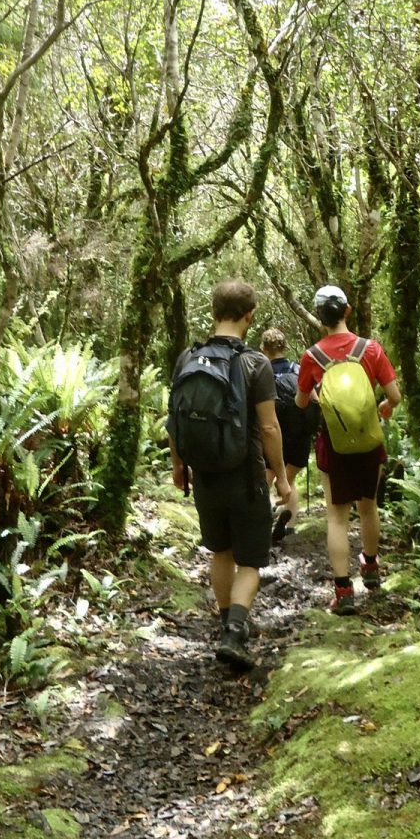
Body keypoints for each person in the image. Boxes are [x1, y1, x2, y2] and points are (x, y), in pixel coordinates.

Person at [169, 279, 289, 669]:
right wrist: (283, 480)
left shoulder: (188, 357)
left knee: (220, 551)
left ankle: (226, 623)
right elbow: (269, 428)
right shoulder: (256, 363)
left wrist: (178, 466)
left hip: (204, 474)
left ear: (214, 311)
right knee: (250, 561)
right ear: (250, 316)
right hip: (246, 474)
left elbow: (174, 419)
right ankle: (235, 631)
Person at [295, 285, 401, 615]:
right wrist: (384, 407)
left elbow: (300, 402)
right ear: (347, 311)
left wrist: (319, 398)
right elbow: (394, 396)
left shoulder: (313, 356)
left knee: (337, 518)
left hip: (334, 443)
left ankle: (344, 592)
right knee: (368, 508)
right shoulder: (371, 350)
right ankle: (370, 569)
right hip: (369, 439)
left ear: (320, 318)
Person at [260, 327, 312, 541]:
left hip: (273, 436)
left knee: (266, 480)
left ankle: (265, 516)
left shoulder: (262, 374)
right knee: (289, 480)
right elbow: (315, 401)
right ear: (284, 347)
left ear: (264, 349)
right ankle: (289, 526)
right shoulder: (299, 370)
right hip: (300, 436)